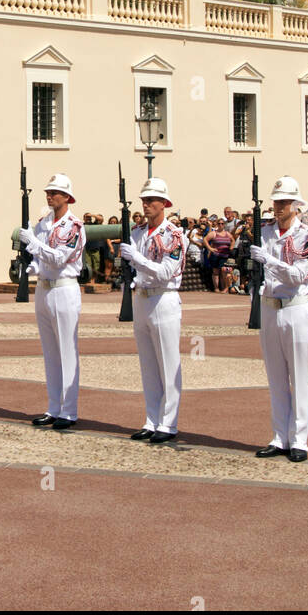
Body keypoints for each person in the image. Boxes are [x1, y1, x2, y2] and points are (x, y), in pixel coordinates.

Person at [250, 176, 308, 463]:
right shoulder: (264, 232)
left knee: (299, 376)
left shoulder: (307, 236)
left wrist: (269, 261)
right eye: (276, 202)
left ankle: (299, 439)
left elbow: (299, 275)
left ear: (295, 205)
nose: (277, 207)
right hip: (269, 306)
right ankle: (280, 436)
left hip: (294, 307)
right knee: (276, 377)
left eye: (283, 202)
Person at [120, 178, 187, 445]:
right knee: (148, 365)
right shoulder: (136, 233)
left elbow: (164, 272)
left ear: (165, 204)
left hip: (164, 299)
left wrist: (134, 258)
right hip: (142, 299)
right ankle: (151, 420)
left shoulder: (174, 235)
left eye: (151, 201)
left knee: (167, 364)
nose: (146, 205)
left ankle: (168, 423)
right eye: (144, 200)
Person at [20, 174, 86, 432]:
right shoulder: (43, 224)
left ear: (67, 197)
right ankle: (53, 406)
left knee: (67, 351)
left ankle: (68, 410)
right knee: (50, 352)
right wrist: (31, 268)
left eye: (56, 192)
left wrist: (34, 244)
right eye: (48, 192)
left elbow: (60, 258)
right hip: (44, 289)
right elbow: (40, 259)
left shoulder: (74, 226)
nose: (50, 196)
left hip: (64, 289)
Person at [203, 215, 235, 292]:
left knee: (224, 271)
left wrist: (231, 247)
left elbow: (233, 240)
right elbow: (205, 239)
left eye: (222, 223)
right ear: (217, 224)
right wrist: (210, 248)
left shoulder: (227, 233)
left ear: (224, 224)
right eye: (219, 223)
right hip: (216, 255)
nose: (220, 225)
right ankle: (216, 288)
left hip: (225, 255)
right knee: (216, 272)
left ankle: (224, 288)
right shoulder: (214, 233)